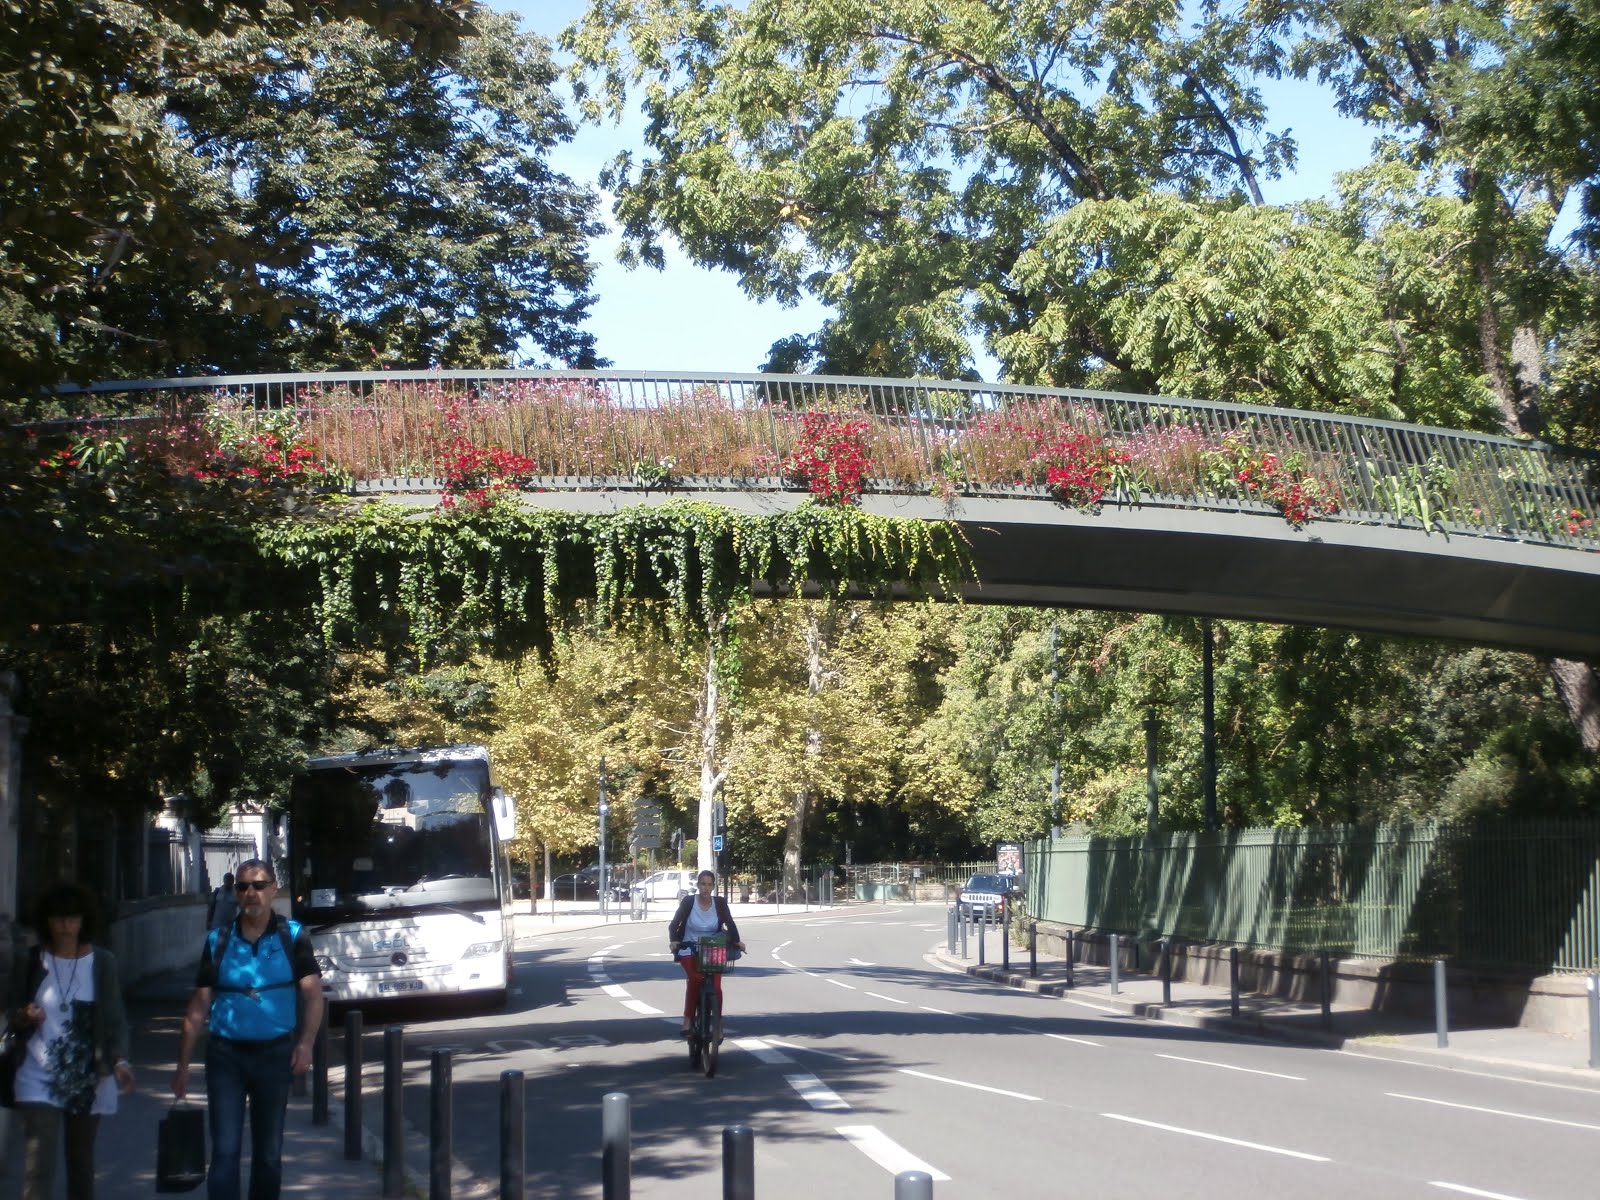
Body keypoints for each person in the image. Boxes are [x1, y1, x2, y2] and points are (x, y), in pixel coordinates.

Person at [172, 858, 323, 1200]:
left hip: (275, 1055)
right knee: (225, 1153)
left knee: (268, 1154)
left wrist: (306, 1043)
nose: (250, 893)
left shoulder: (292, 936)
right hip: (226, 1056)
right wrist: (182, 1065)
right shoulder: (218, 941)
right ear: (235, 893)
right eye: (243, 887)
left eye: (258, 886)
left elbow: (313, 996)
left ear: (273, 889)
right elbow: (199, 1006)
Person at [4, 881, 135, 1200]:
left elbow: (114, 1015)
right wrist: (26, 1014)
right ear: (46, 921)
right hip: (36, 1075)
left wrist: (119, 1059)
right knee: (39, 1165)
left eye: (72, 918)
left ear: (84, 920)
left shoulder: (101, 962)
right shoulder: (31, 960)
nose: (65, 926)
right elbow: (12, 1012)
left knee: (81, 1165)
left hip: (88, 1077)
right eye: (58, 918)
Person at [666, 870, 746, 1038]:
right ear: (698, 885)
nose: (705, 888)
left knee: (716, 987)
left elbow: (730, 923)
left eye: (709, 884)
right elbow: (674, 924)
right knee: (695, 978)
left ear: (713, 886)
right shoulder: (689, 902)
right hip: (690, 946)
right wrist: (674, 940)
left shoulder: (720, 903)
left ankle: (717, 1023)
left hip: (712, 948)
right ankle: (688, 1019)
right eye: (703, 884)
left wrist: (737, 940)